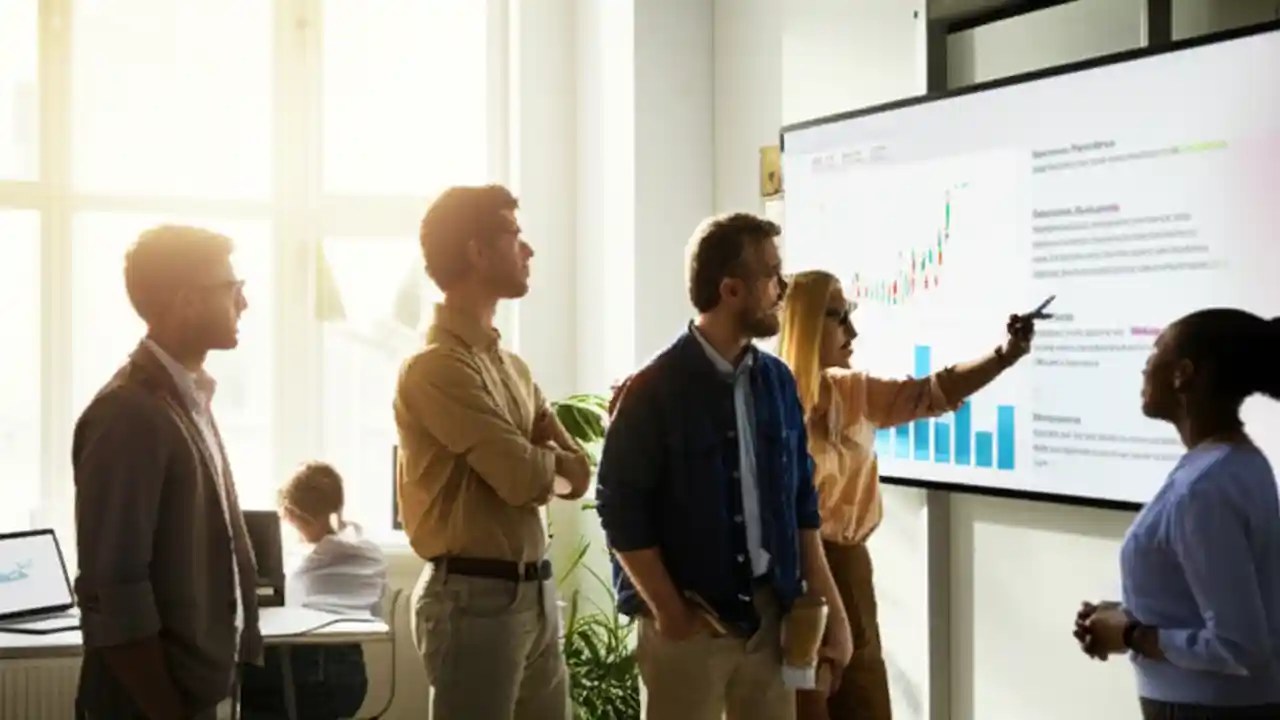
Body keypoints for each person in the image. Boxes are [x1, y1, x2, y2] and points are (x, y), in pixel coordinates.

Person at [596, 213, 854, 720]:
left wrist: (834, 613)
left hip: (769, 623)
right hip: (691, 627)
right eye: (771, 276)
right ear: (732, 290)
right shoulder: (653, 389)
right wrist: (670, 613)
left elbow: (802, 507)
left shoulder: (778, 383)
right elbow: (619, 509)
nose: (782, 289)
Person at [776, 270, 1038, 720]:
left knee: (862, 697)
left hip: (849, 566)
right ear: (807, 322)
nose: (852, 331)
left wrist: (1004, 356)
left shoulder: (853, 392)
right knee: (805, 700)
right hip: (793, 570)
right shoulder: (767, 399)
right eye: (841, 317)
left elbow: (931, 393)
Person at [394, 184, 593, 720]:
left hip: (533, 591)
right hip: (472, 599)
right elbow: (523, 479)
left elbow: (578, 474)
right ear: (477, 251)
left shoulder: (512, 366)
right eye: (513, 234)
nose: (528, 250)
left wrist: (543, 469)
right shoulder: (437, 367)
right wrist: (544, 468)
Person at [72, 225, 261, 720]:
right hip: (147, 705)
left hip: (183, 694)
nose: (245, 303)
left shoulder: (188, 397)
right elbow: (115, 591)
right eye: (233, 288)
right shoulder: (129, 414)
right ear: (187, 300)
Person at [1074, 308, 1280, 720]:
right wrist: (1122, 613)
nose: (1144, 368)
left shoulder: (1205, 488)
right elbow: (1221, 594)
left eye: (1153, 355)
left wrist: (1132, 634)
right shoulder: (1234, 465)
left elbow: (1240, 645)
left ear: (1182, 374)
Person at [240, 461, 389, 720]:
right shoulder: (370, 553)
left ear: (290, 514)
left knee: (235, 676)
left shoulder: (301, 565)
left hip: (303, 678)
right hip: (352, 677)